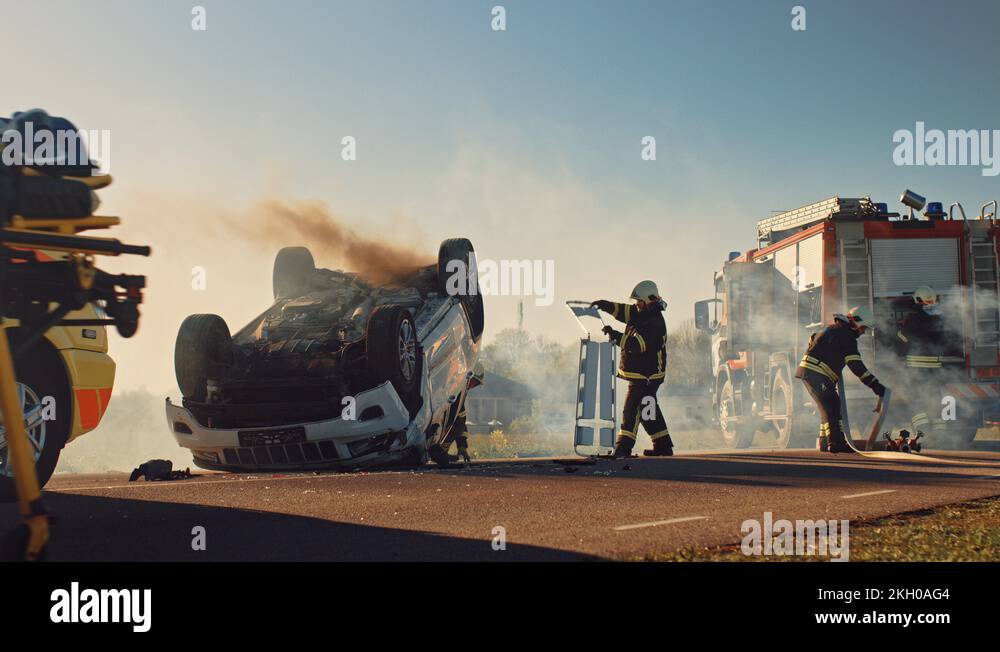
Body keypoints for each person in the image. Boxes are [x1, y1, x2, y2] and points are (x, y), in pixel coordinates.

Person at [590, 280, 672, 458]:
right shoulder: (642, 312)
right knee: (646, 407)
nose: (636, 305)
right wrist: (604, 305)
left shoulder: (655, 323)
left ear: (649, 300)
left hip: (648, 375)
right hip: (645, 374)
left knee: (631, 409)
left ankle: (623, 448)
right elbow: (623, 311)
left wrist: (615, 335)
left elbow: (637, 345)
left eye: (639, 301)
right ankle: (662, 444)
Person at [795, 306, 887, 453]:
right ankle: (836, 442)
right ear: (855, 322)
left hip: (814, 372)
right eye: (863, 328)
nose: (863, 332)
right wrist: (876, 386)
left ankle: (825, 441)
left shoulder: (834, 329)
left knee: (830, 404)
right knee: (830, 404)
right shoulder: (846, 337)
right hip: (815, 372)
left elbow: (812, 337)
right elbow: (856, 366)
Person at [894, 286, 948, 440]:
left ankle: (923, 435)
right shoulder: (940, 318)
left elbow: (903, 338)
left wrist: (898, 339)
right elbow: (945, 340)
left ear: (918, 300)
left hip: (916, 366)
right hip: (936, 367)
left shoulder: (913, 318)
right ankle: (940, 434)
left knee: (917, 399)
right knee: (934, 399)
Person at [450, 363, 485, 463]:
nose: (472, 386)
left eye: (476, 384)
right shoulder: (453, 390)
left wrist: (462, 446)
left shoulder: (460, 393)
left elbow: (460, 419)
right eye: (473, 382)